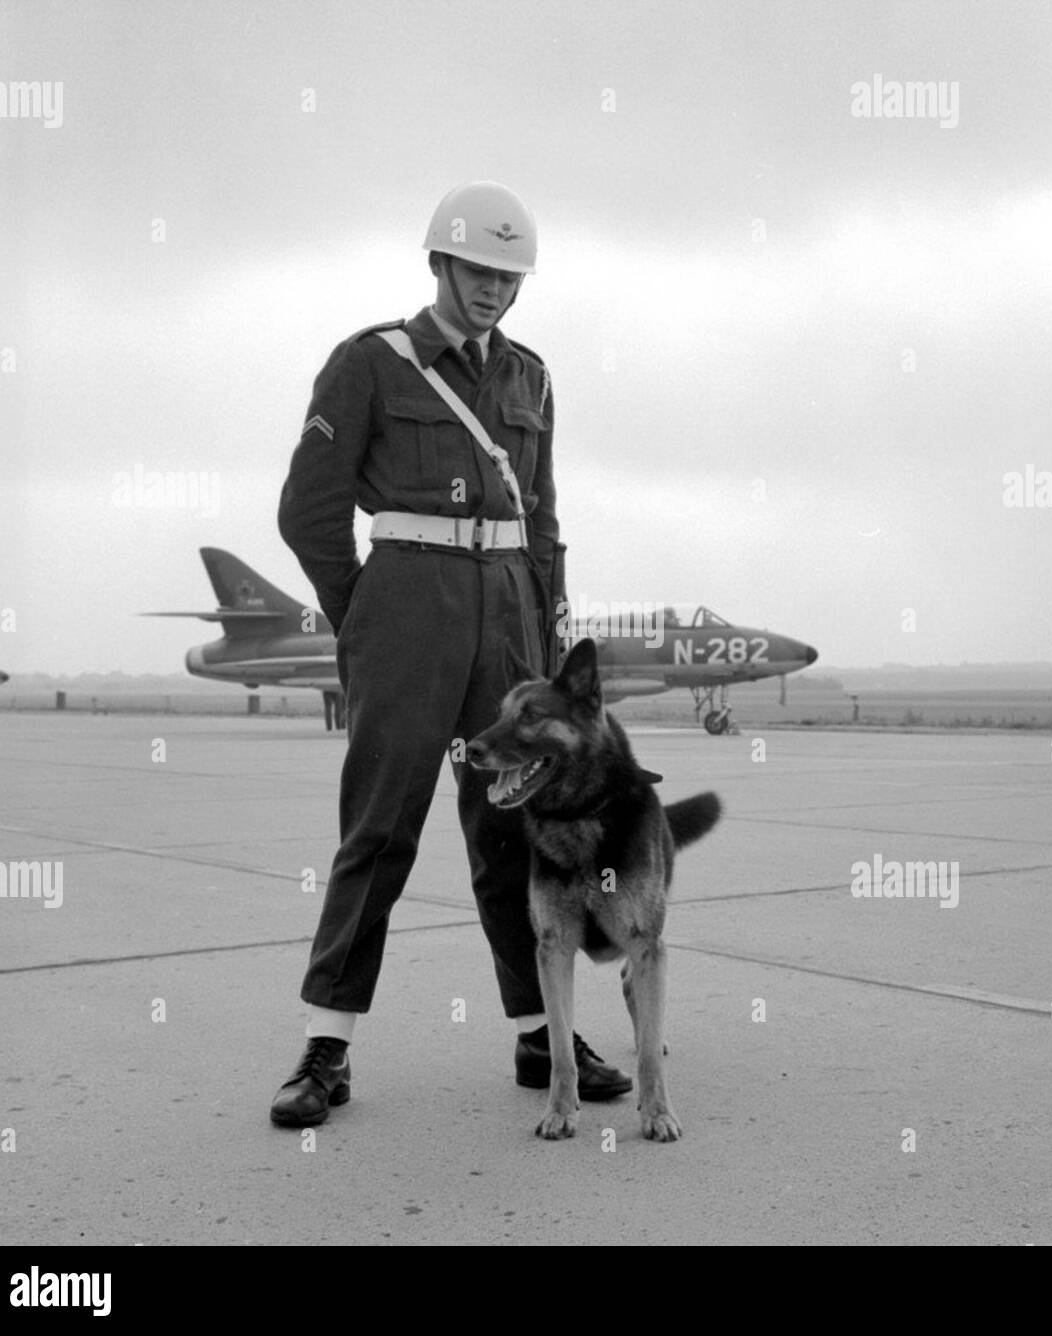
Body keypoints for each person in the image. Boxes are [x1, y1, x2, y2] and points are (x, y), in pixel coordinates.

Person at [270, 181, 631, 1126]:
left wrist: (549, 637)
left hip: (509, 627)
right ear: (439, 263)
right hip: (406, 616)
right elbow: (307, 512)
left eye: (511, 277)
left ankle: (539, 1035)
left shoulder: (534, 379)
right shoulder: (372, 363)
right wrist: (365, 620)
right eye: (479, 271)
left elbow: (543, 524)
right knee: (380, 829)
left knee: (512, 833)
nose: (495, 292)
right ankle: (326, 1047)